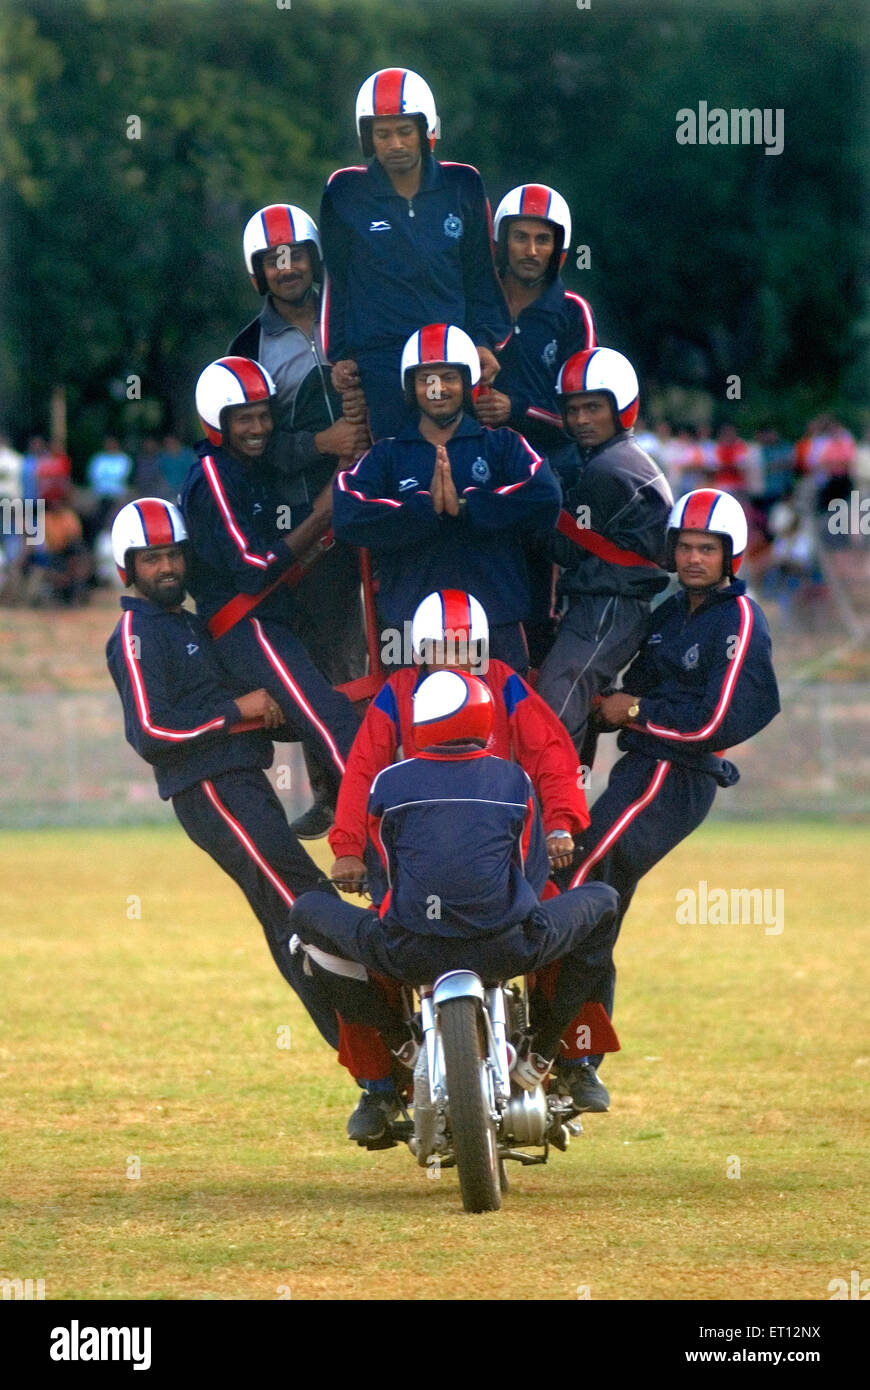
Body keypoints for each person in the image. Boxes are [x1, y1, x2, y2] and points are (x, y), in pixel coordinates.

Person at [289, 670, 620, 1143]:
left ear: (420, 723)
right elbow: (530, 870)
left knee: (306, 914)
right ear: (485, 721)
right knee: (603, 902)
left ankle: (394, 1053)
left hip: (409, 951)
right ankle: (551, 1054)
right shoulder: (513, 780)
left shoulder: (389, 783)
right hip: (508, 946)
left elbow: (384, 869)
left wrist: (357, 866)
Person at [328, 589, 592, 1137]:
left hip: (503, 862)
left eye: (465, 647)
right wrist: (348, 848)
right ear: (420, 649)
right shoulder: (398, 693)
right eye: (442, 647)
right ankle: (378, 1086)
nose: (454, 658)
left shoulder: (506, 684)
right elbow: (362, 770)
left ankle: (569, 1059)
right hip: (415, 862)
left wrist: (561, 823)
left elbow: (549, 752)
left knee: (563, 943)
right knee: (368, 962)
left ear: (482, 648)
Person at [561, 488, 780, 1112]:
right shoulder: (667, 613)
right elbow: (630, 691)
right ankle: (573, 1058)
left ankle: (570, 1054)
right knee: (596, 901)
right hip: (643, 768)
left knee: (579, 881)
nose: (693, 558)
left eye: (707, 548)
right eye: (684, 546)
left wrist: (634, 711)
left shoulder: (739, 620)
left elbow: (716, 721)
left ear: (731, 555)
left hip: (674, 776)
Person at [105, 497, 340, 1047]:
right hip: (209, 790)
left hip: (241, 781)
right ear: (127, 567)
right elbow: (151, 732)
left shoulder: (188, 623)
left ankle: (370, 1057)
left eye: (174, 554)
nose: (167, 567)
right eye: (151, 559)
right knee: (305, 903)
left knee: (288, 914)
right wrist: (239, 710)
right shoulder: (135, 634)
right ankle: (373, 1047)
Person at [230, 204, 369, 838]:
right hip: (310, 524)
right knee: (326, 653)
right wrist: (322, 443)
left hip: (386, 502)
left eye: (296, 256)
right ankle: (336, 791)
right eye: (273, 260)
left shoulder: (357, 315)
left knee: (401, 642)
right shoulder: (248, 348)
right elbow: (247, 446)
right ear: (258, 272)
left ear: (315, 259)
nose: (287, 269)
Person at [179, 356, 360, 823]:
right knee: (332, 718)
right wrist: (323, 515)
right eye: (245, 418)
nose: (258, 428)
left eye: (264, 415)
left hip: (275, 620)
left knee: (343, 708)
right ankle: (378, 827)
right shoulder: (214, 476)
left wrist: (341, 473)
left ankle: (349, 816)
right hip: (245, 625)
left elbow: (286, 542)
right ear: (218, 422)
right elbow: (254, 569)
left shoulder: (250, 470)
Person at [333, 323, 561, 675]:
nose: (437, 388)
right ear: (410, 387)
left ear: (468, 382)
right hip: (407, 626)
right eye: (426, 379)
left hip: (496, 620)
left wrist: (468, 507)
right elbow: (347, 514)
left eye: (449, 377)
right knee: (406, 710)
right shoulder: (386, 455)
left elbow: (546, 496)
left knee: (503, 709)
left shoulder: (502, 444)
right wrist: (424, 510)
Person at [320, 66, 510, 439]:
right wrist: (340, 356)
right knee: (396, 460)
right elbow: (336, 281)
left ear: (426, 130)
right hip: (380, 360)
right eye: (383, 134)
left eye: (405, 131)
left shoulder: (463, 184)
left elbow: (480, 274)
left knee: (455, 457)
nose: (395, 144)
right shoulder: (344, 191)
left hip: (451, 353)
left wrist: (484, 342)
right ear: (367, 137)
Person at [535, 347, 673, 771]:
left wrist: (523, 497)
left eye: (593, 407)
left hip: (607, 605)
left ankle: (551, 802)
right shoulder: (621, 459)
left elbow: (565, 546)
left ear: (621, 408)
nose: (580, 419)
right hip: (611, 604)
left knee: (556, 700)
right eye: (573, 409)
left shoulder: (607, 469)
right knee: (579, 704)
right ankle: (572, 801)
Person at [476, 183, 594, 465]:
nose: (531, 251)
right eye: (520, 237)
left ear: (557, 248)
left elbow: (586, 409)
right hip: (478, 458)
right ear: (503, 241)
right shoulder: (475, 302)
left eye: (542, 240)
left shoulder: (573, 313)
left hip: (552, 464)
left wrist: (516, 409)